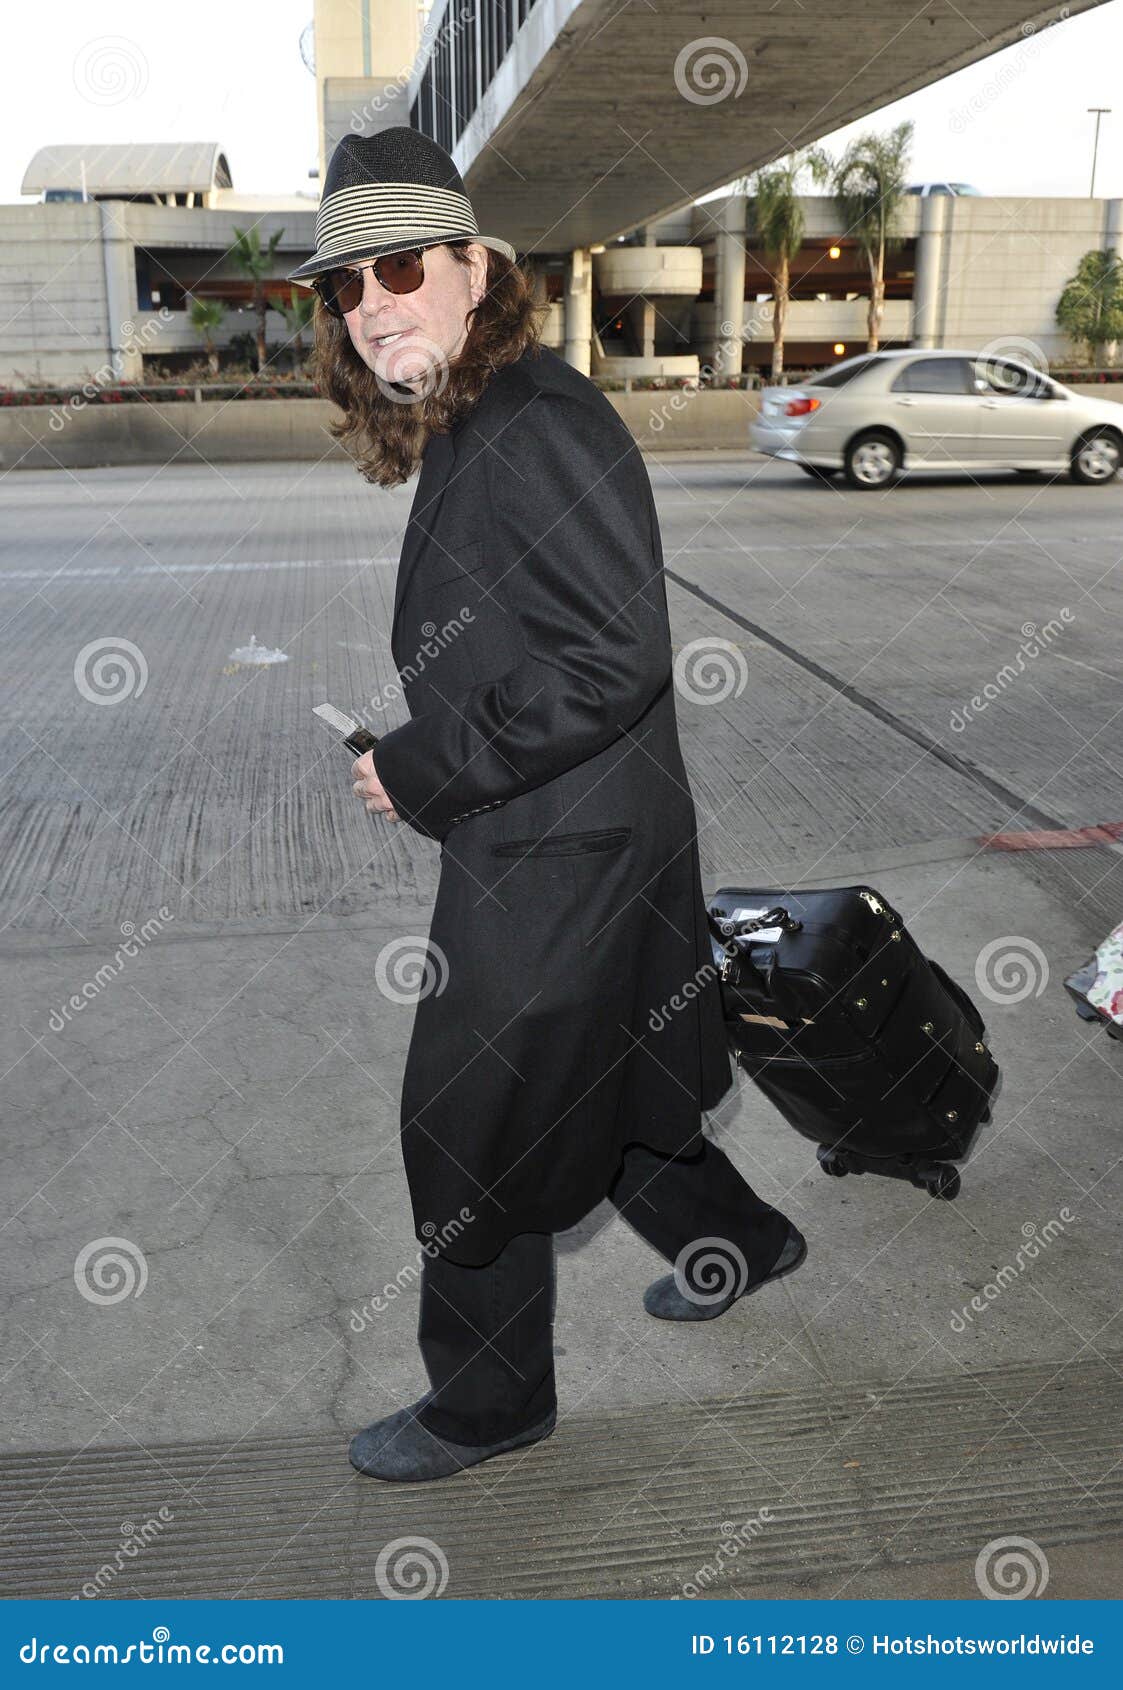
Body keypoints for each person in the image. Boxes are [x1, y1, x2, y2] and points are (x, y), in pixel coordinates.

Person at [287, 128, 805, 1483]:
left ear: (473, 263)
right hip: (593, 830)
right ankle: (743, 1239)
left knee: (465, 1127)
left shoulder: (529, 423)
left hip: (559, 852)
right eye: (347, 284)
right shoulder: (488, 404)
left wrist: (418, 764)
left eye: (400, 263)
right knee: (616, 1074)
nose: (374, 299)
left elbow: (611, 656)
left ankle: (488, 1397)